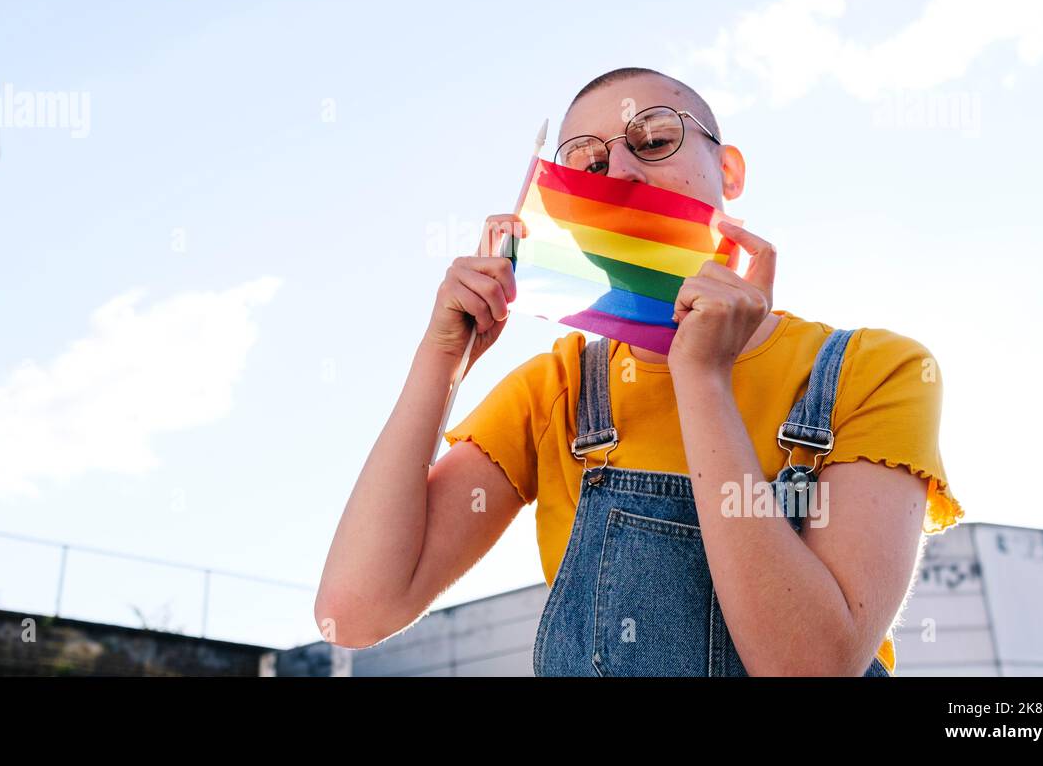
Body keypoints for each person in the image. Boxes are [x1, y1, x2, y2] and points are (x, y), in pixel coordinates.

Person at [314, 66, 964, 676]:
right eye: (588, 163)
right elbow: (356, 611)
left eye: (653, 139)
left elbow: (810, 665)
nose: (619, 170)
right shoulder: (555, 392)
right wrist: (441, 357)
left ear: (728, 169)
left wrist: (703, 380)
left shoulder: (873, 370)